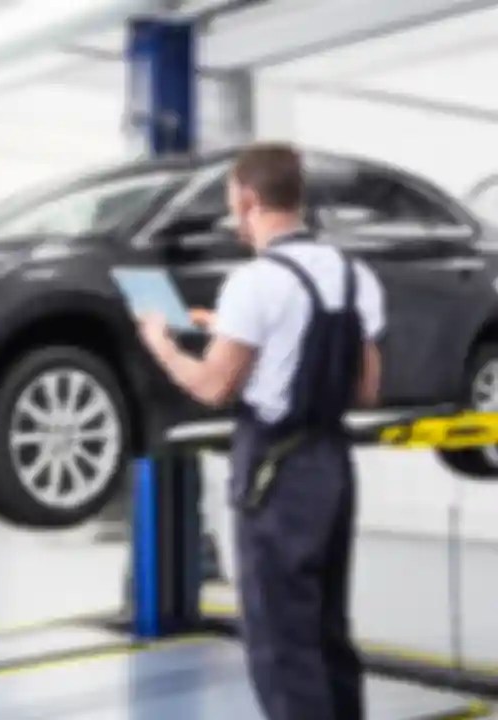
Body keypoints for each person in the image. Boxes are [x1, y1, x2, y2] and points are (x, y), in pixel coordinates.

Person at [137, 143, 384, 720]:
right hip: (332, 467)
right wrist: (240, 333)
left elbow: (213, 387)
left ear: (248, 199)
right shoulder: (354, 276)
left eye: (232, 204)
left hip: (276, 475)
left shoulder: (254, 282)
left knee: (281, 646)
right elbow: (366, 389)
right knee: (327, 632)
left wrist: (162, 345)